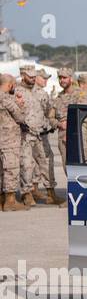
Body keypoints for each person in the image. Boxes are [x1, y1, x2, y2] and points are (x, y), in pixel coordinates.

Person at [16, 66, 63, 206]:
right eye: (29, 76)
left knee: (47, 161)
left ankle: (51, 193)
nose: (31, 79)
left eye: (33, 76)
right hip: (25, 135)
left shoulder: (42, 93)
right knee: (26, 164)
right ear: (23, 75)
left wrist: (52, 123)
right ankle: (27, 194)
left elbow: (50, 111)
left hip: (42, 135)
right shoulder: (16, 92)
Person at [0, 74, 29, 211]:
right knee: (11, 169)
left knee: (1, 170)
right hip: (9, 140)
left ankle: (1, 200)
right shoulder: (6, 98)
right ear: (10, 85)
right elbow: (20, 117)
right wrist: (21, 105)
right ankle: (10, 201)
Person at [52, 68, 80, 179]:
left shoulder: (81, 95)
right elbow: (50, 117)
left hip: (78, 138)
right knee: (67, 168)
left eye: (65, 77)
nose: (62, 80)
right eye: (60, 78)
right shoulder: (58, 98)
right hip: (63, 139)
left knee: (81, 169)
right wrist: (59, 124)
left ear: (71, 78)